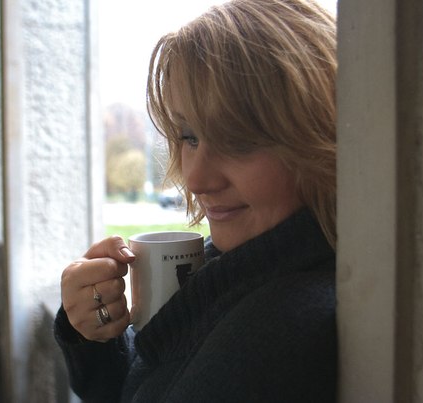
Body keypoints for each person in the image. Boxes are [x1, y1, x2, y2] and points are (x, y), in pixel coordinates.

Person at [54, 0, 337, 401]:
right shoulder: (230, 266)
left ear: (320, 136)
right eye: (189, 136)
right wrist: (96, 334)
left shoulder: (282, 326)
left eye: (237, 140)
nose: (195, 179)